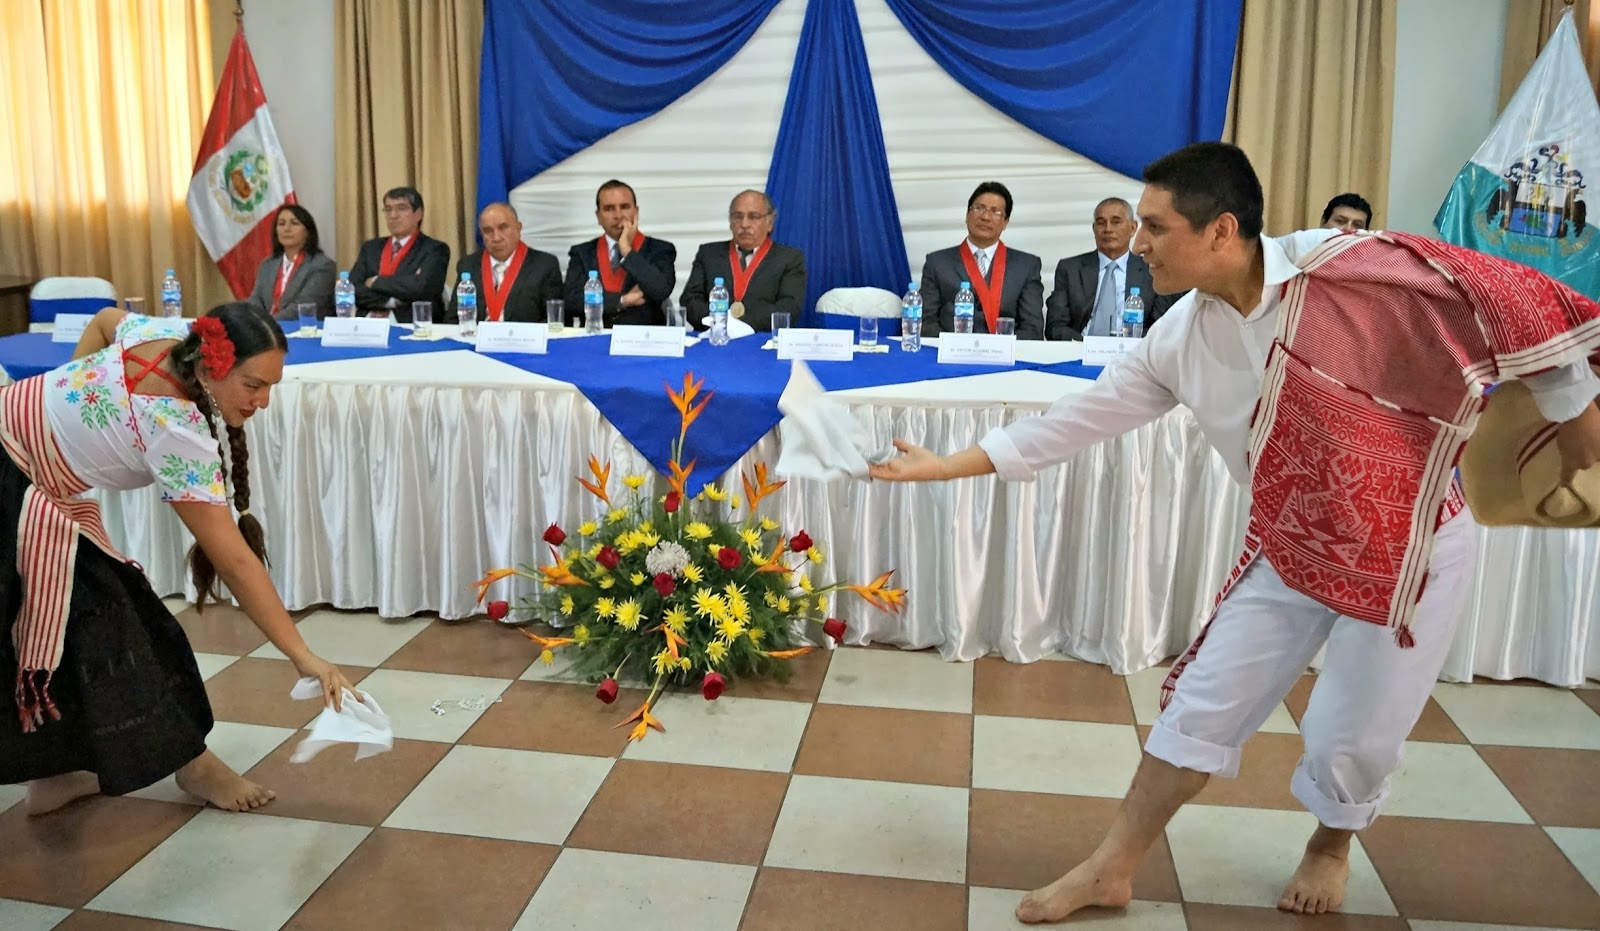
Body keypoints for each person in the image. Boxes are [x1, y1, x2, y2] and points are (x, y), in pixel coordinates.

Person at [869, 142, 1600, 922]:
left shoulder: (1343, 267)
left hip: (1409, 545)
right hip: (1289, 542)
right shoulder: (1179, 337)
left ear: (1220, 230)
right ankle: (1111, 868)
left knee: (1352, 735)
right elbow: (1075, 421)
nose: (1137, 243)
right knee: (1199, 705)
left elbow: (1514, 301)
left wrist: (1579, 434)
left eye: (1155, 226)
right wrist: (945, 467)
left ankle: (1331, 844)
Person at [0, 303, 356, 816]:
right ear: (212, 364)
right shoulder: (175, 429)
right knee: (119, 625)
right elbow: (234, 560)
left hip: (25, 471)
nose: (263, 401)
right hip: (14, 480)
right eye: (253, 385)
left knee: (80, 625)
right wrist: (304, 656)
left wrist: (61, 400)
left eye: (271, 387)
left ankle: (58, 773)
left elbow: (104, 319)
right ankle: (194, 765)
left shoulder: (169, 333)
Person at [1044, 196, 1182, 340]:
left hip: (1133, 349)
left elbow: (1161, 327)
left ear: (1133, 228)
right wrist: (1088, 346)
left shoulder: (1152, 270)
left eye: (1116, 222)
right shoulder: (1070, 269)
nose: (1108, 229)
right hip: (1080, 346)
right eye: (1101, 223)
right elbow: (1055, 326)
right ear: (1094, 229)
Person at [919, 182, 1044, 339]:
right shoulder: (937, 263)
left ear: (1005, 222)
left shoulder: (1026, 266)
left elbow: (1032, 328)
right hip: (952, 351)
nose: (985, 217)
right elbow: (926, 321)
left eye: (995, 212)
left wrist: (1000, 349)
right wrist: (955, 347)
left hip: (1005, 352)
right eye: (979, 208)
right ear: (967, 215)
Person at [680, 190, 807, 332]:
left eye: (754, 217)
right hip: (714, 335)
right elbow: (690, 300)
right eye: (738, 216)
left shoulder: (789, 258)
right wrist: (720, 323)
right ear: (730, 222)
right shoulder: (709, 253)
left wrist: (740, 326)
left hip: (762, 339)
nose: (744, 224)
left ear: (770, 222)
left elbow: (789, 307)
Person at [564, 180, 677, 327]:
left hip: (645, 335)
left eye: (624, 207)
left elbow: (661, 290)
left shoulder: (660, 249)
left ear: (636, 212)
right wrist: (622, 300)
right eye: (609, 209)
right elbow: (571, 300)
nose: (618, 215)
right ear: (598, 216)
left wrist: (626, 250)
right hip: (595, 334)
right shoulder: (582, 253)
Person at [349, 186, 452, 322]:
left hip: (413, 324)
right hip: (369, 322)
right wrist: (393, 300)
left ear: (419, 214)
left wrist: (375, 281)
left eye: (401, 208)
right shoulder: (370, 248)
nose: (393, 216)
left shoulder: (435, 249)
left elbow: (423, 288)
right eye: (388, 209)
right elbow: (352, 290)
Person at [246, 204, 338, 322]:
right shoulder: (268, 264)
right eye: (281, 224)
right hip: (268, 328)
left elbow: (302, 308)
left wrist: (266, 324)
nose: (287, 229)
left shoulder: (322, 266)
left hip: (304, 329)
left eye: (294, 223)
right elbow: (256, 300)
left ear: (308, 231)